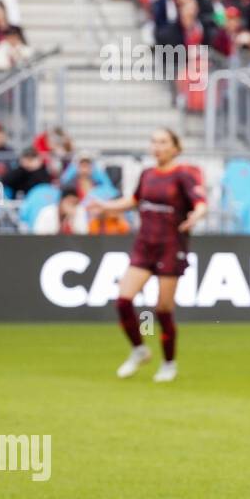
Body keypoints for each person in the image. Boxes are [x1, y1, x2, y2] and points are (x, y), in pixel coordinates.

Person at [86, 129, 207, 383]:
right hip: (145, 244)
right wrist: (106, 206)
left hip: (171, 246)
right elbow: (133, 200)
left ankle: (168, 363)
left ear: (175, 147)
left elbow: (200, 202)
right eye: (154, 142)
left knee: (162, 309)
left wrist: (197, 215)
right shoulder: (147, 174)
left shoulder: (183, 174)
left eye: (163, 142)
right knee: (123, 300)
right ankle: (139, 350)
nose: (157, 147)